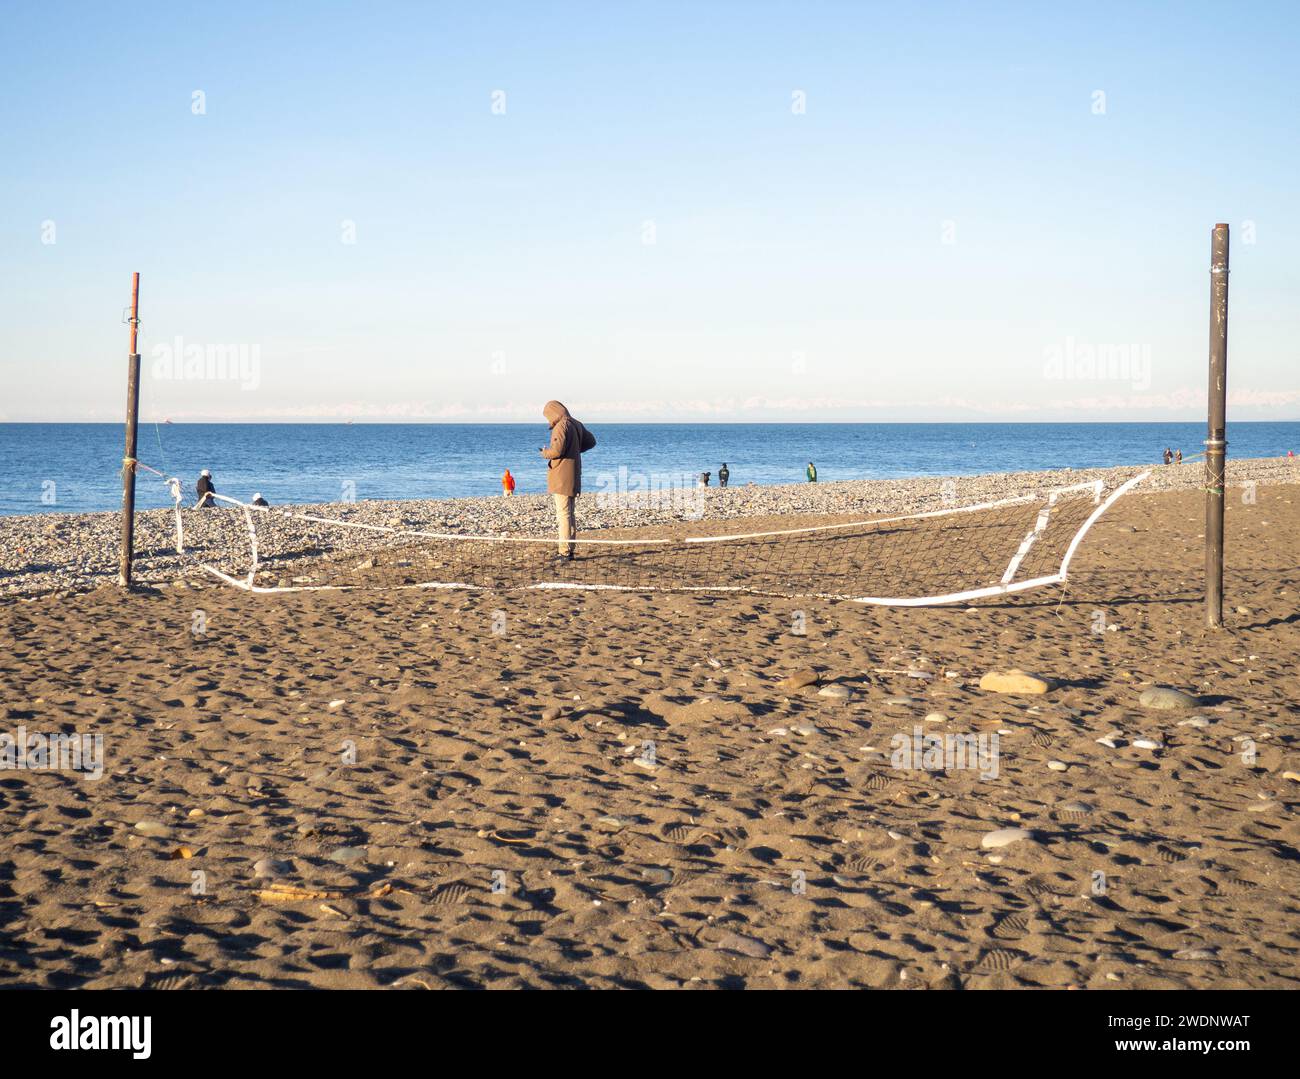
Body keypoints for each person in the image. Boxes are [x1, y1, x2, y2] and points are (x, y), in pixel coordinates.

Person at [540, 400, 596, 560]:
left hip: (561, 477)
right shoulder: (575, 423)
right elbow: (591, 441)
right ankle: (569, 548)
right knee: (570, 514)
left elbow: (556, 450)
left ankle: (564, 551)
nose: (548, 420)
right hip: (573, 474)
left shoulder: (561, 425)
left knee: (563, 514)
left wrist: (545, 452)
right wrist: (575, 448)